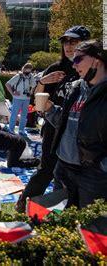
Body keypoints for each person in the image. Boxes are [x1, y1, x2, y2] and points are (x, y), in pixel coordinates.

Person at [16, 25, 91, 212]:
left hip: (80, 132)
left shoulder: (90, 70)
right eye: (66, 41)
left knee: (74, 173)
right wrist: (42, 82)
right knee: (47, 168)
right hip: (54, 126)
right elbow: (37, 100)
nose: (68, 46)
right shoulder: (57, 68)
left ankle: (70, 212)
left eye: (74, 41)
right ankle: (25, 204)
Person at [40, 40, 107, 208]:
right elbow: (65, 123)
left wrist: (102, 166)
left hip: (93, 175)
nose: (74, 65)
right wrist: (49, 110)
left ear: (97, 59)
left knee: (89, 226)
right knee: (59, 221)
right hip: (63, 168)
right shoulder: (76, 88)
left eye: (78, 60)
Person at [6, 63, 36, 135]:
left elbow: (34, 85)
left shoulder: (30, 76)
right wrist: (13, 93)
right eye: (26, 71)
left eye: (29, 71)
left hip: (26, 99)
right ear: (23, 69)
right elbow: (7, 84)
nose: (27, 73)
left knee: (24, 115)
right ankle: (11, 129)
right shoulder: (18, 76)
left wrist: (31, 92)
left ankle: (21, 130)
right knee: (14, 114)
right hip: (17, 98)